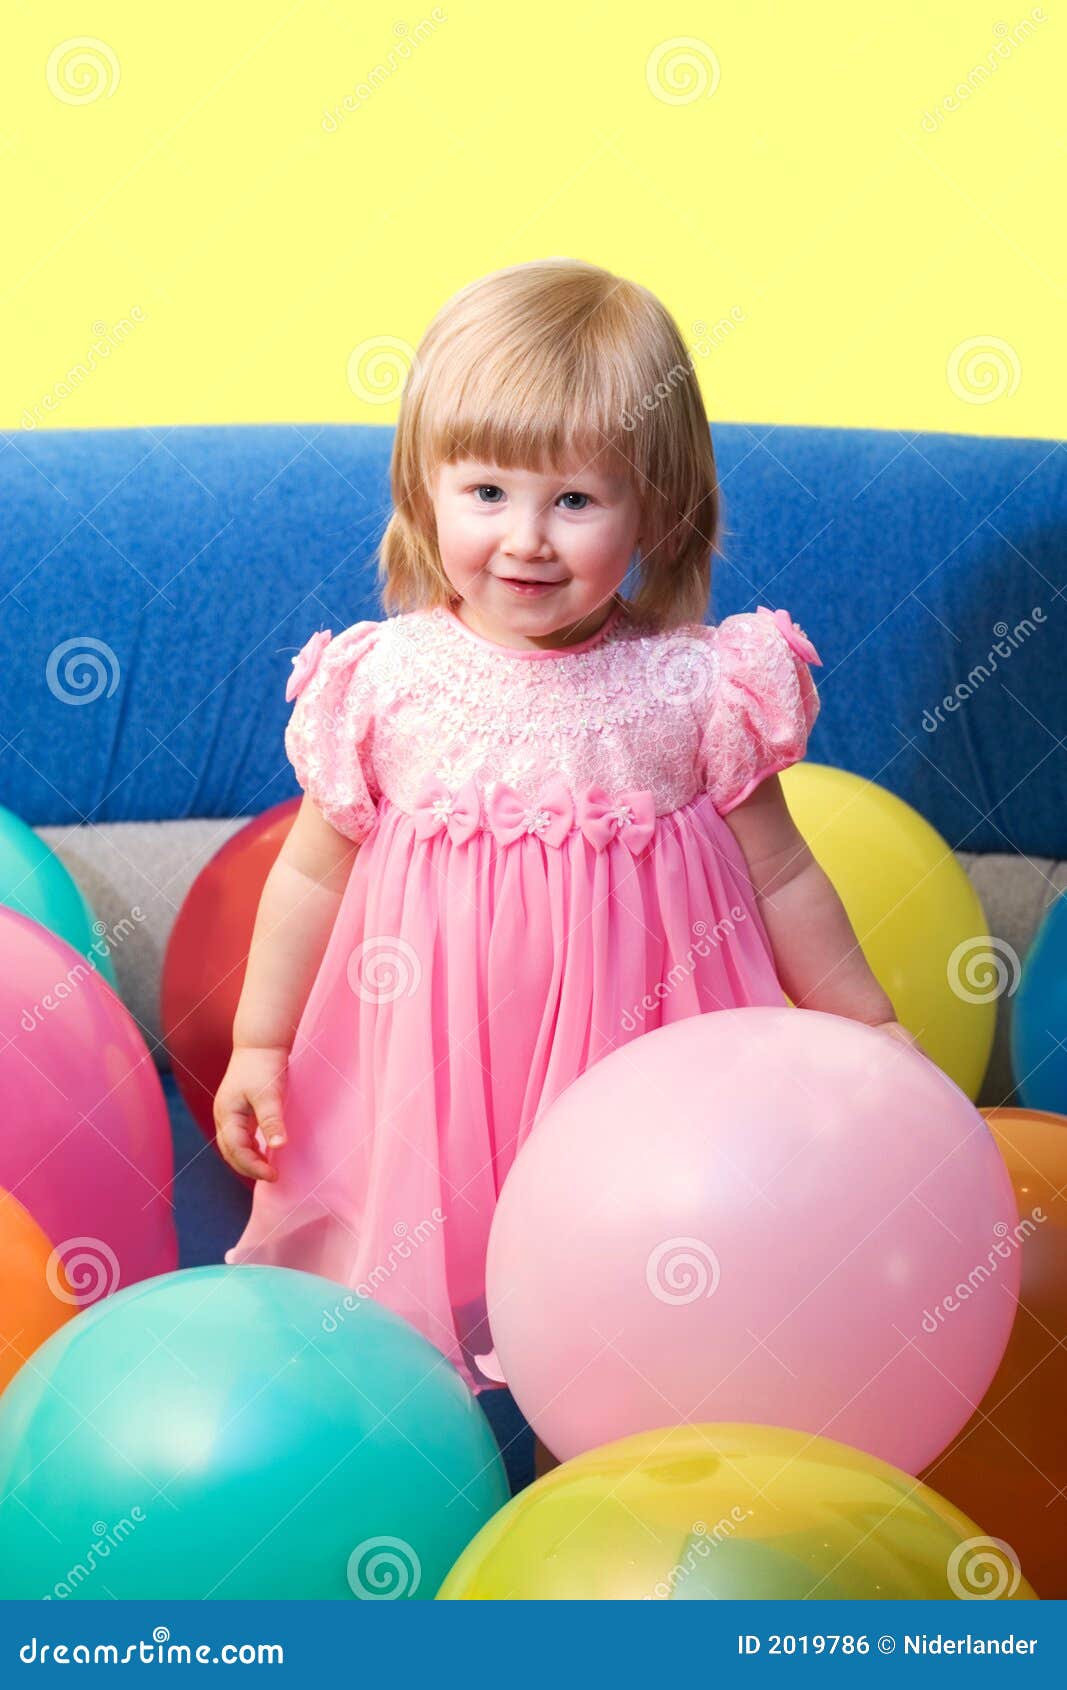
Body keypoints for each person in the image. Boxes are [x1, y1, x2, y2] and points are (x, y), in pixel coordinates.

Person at [216, 257, 917, 1481]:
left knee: (636, 1297)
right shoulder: (384, 681)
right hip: (438, 1073)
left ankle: (608, 1495)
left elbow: (784, 875)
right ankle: (434, 1503)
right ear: (422, 491)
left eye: (576, 501)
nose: (526, 540)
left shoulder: (692, 685)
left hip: (641, 1060)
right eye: (485, 489)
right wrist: (263, 1042)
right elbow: (313, 877)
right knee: (422, 1302)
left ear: (656, 510)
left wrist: (866, 1021)